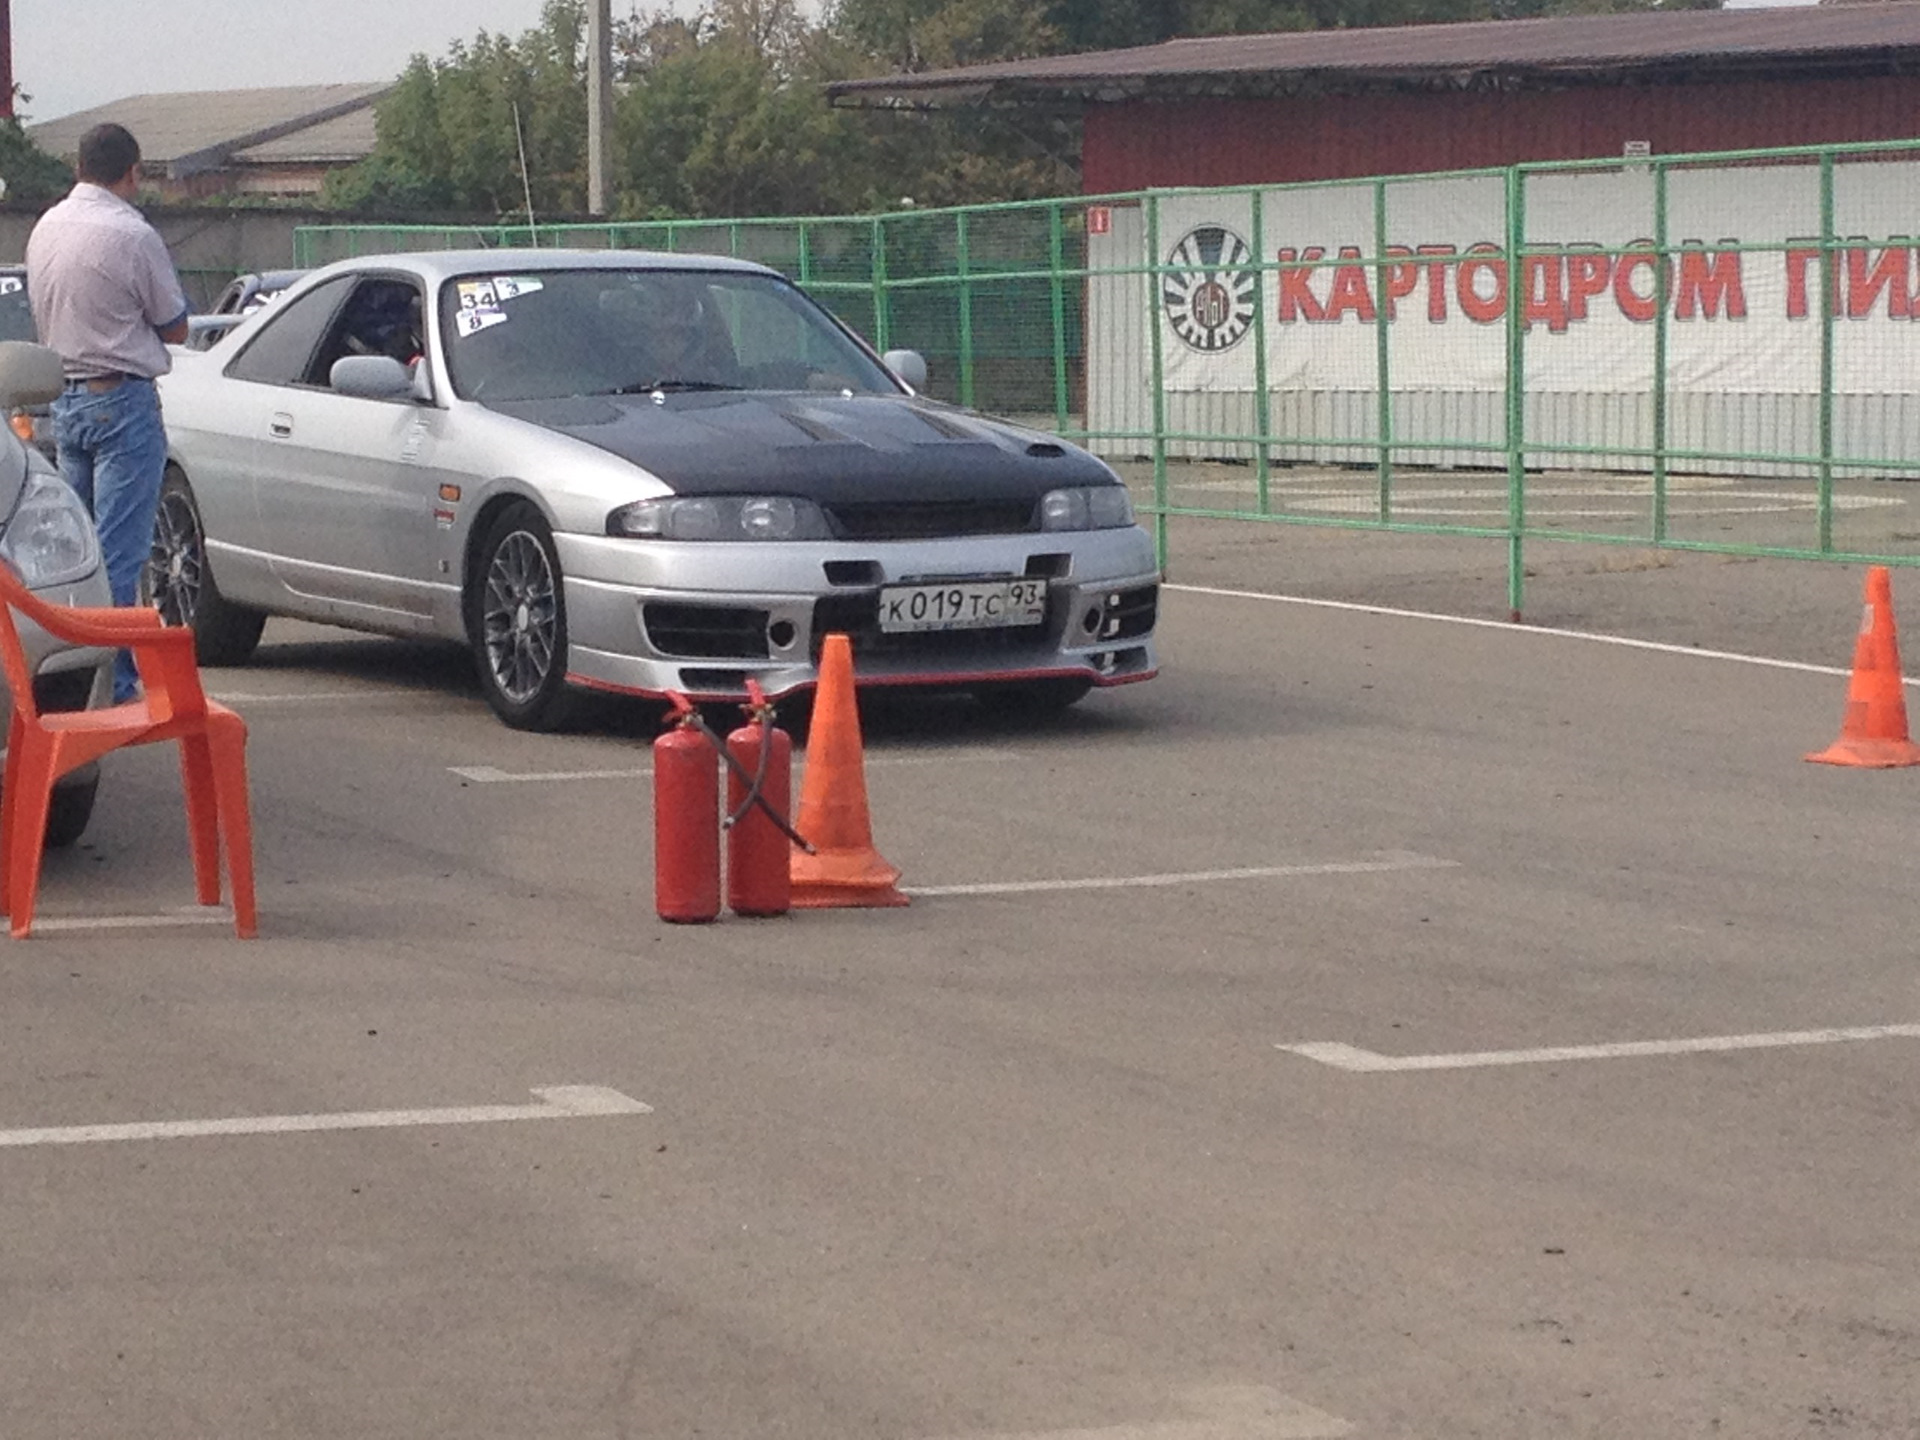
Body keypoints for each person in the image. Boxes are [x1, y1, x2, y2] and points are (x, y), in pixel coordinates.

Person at [25, 123, 190, 701]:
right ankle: (115, 681)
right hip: (121, 398)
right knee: (120, 552)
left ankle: (66, 672)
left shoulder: (47, 227)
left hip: (62, 397)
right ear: (132, 172)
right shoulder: (131, 233)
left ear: (78, 167)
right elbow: (175, 324)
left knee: (75, 555)